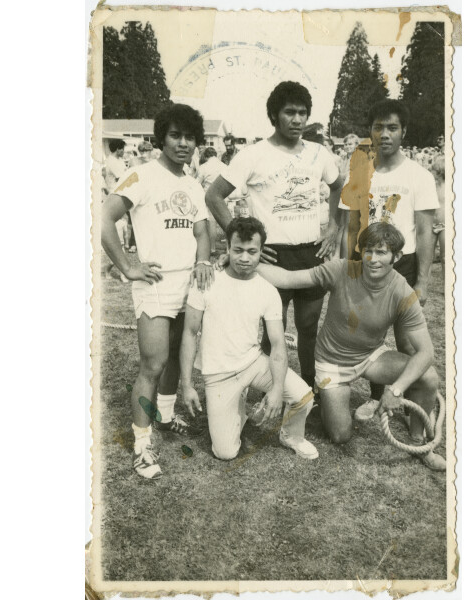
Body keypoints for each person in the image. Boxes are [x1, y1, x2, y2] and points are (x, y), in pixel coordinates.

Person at [256, 223, 444, 470]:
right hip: (332, 362)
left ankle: (419, 442)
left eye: (381, 252)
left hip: (371, 356)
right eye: (368, 251)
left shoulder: (403, 292)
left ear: (396, 257)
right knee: (340, 436)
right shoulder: (341, 270)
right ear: (360, 250)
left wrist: (397, 389)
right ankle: (323, 397)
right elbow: (289, 277)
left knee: (429, 378)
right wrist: (244, 261)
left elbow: (426, 352)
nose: (373, 259)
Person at [101, 103, 215, 479]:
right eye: (175, 136)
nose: (183, 143)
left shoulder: (193, 183)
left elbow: (202, 231)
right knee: (153, 363)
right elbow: (103, 218)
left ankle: (165, 415)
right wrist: (128, 267)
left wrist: (202, 260)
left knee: (175, 355)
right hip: (155, 284)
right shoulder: (141, 175)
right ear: (161, 138)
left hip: (190, 284)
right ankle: (141, 444)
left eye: (190, 137)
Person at [205, 80, 344, 389]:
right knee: (272, 329)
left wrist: (333, 227)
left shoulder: (319, 154)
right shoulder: (252, 155)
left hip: (311, 252)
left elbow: (338, 187)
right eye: (289, 112)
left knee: (308, 327)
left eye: (303, 113)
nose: (297, 120)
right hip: (271, 256)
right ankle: (273, 389)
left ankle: (310, 386)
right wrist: (241, 240)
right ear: (274, 115)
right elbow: (214, 196)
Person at [180, 217, 319, 461]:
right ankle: (237, 405)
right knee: (225, 453)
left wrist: (276, 389)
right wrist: (187, 384)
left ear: (261, 252)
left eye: (252, 251)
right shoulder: (206, 281)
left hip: (253, 363)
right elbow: (190, 333)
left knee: (304, 397)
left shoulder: (267, 289)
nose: (245, 258)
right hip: (219, 373)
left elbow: (277, 344)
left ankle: (291, 436)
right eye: (238, 250)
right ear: (227, 249)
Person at [338, 100, 440, 403]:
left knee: (408, 343)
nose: (384, 134)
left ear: (403, 132)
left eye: (392, 127)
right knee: (369, 336)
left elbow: (424, 232)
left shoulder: (419, 176)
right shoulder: (358, 175)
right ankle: (375, 397)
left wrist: (421, 281)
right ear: (370, 131)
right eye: (378, 127)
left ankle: (410, 407)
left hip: (403, 265)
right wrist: (347, 268)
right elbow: (352, 228)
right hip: (365, 264)